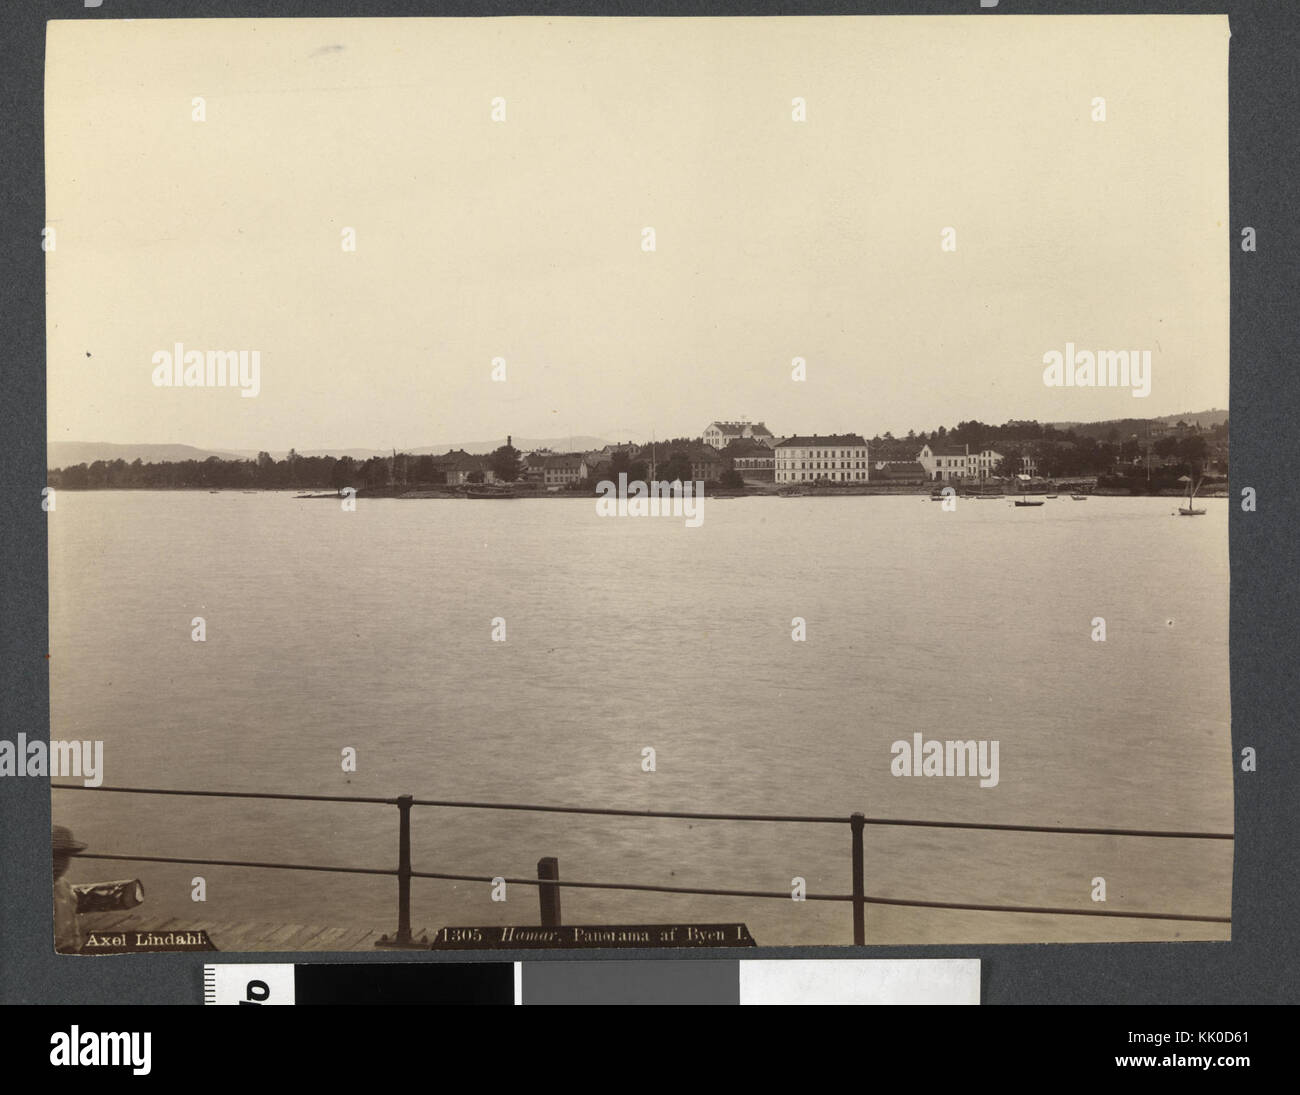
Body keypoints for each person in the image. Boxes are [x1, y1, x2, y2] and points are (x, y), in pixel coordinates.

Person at [53, 825, 87, 953]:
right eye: (52, 855)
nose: (57, 863)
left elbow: (74, 932)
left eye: (63, 856)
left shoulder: (65, 887)